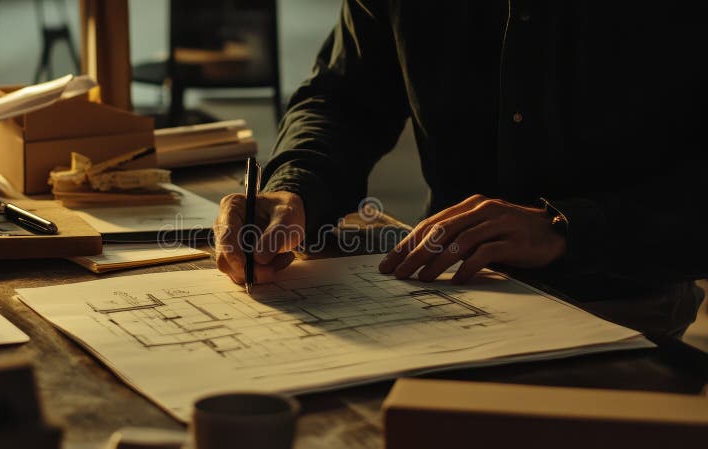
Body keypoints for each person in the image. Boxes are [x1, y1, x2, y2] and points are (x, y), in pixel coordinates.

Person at [213, 0, 708, 335]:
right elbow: (344, 99)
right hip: (440, 288)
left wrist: (569, 226)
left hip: (621, 303)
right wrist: (294, 188)